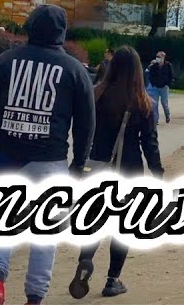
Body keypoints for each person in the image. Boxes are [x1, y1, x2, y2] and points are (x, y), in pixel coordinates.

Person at [0, 4, 95, 305]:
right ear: (62, 33)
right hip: (50, 160)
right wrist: (78, 164)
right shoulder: (74, 69)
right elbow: (86, 123)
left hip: (6, 155)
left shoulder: (5, 61)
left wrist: (5, 116)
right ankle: (34, 296)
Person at [68, 46, 164, 299]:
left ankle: (85, 260)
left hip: (98, 167)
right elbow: (150, 144)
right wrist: (157, 172)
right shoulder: (143, 103)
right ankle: (113, 279)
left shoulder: (96, 95)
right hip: (128, 169)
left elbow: (82, 132)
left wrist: (78, 162)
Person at [145, 51, 173, 124]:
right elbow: (151, 76)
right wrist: (153, 83)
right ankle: (155, 120)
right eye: (157, 56)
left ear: (163, 57)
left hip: (164, 87)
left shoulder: (168, 65)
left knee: (164, 103)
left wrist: (168, 84)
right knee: (155, 104)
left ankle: (167, 115)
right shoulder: (154, 66)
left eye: (159, 57)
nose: (157, 58)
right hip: (155, 87)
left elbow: (171, 76)